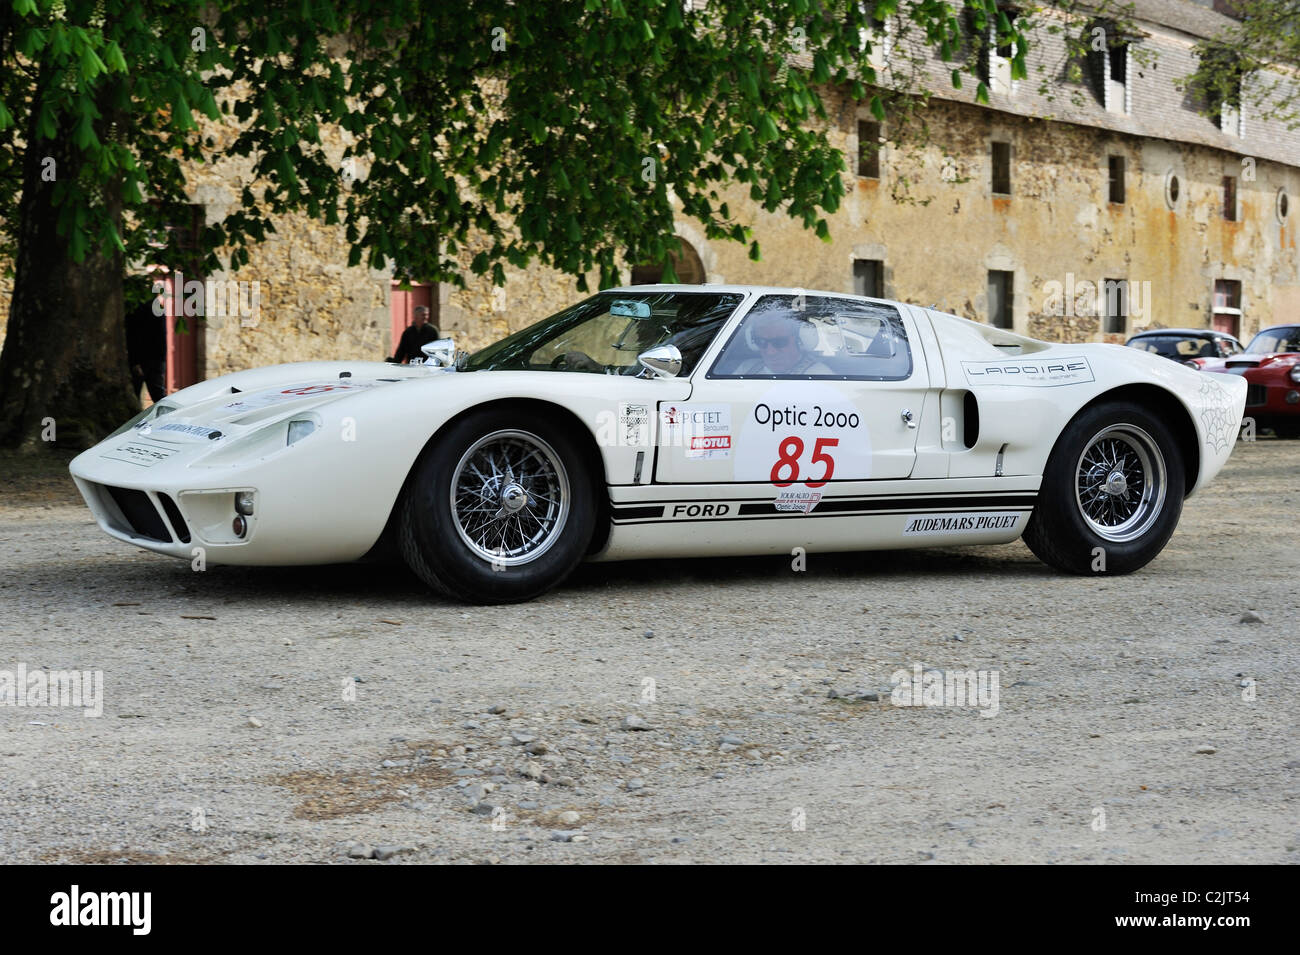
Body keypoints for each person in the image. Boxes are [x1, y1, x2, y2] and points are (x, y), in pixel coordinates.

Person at [736, 311, 832, 375]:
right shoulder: (747, 368)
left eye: (779, 342)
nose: (770, 352)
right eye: (761, 342)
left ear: (799, 340)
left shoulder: (819, 375)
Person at [125, 283, 167, 402]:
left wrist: (135, 362)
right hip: (157, 359)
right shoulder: (158, 309)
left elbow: (134, 338)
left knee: (137, 394)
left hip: (143, 359)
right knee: (158, 394)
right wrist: (161, 360)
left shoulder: (136, 311)